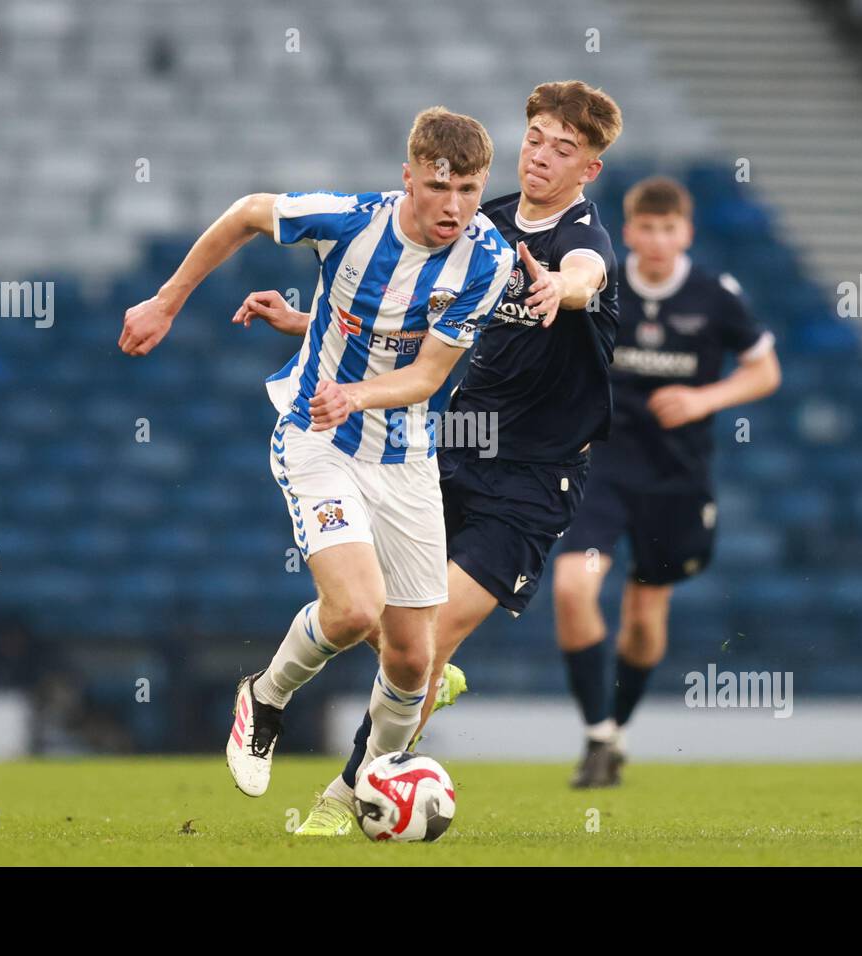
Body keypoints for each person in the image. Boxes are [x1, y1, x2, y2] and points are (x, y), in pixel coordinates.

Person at [236, 80, 624, 832]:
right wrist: (306, 321)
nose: (542, 156)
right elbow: (405, 313)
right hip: (445, 448)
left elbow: (587, 277)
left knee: (431, 637)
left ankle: (348, 799)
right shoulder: (482, 220)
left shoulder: (584, 242)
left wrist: (562, 291)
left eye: (564, 149)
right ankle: (398, 690)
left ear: (590, 170)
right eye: (537, 138)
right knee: (389, 631)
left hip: (535, 478)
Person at [118, 107, 516, 799]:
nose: (453, 207)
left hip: (406, 457)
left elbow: (425, 375)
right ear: (407, 178)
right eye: (437, 187)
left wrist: (350, 384)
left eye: (469, 190)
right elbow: (246, 212)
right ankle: (265, 700)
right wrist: (166, 300)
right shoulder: (352, 219)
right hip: (317, 438)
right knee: (357, 610)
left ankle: (374, 785)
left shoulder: (488, 258)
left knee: (414, 659)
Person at [552, 175, 782, 787]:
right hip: (601, 469)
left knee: (644, 615)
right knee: (574, 587)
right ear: (627, 232)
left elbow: (764, 372)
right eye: (645, 228)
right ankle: (597, 732)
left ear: (686, 232)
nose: (656, 240)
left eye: (668, 228)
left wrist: (704, 398)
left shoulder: (714, 296)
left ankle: (615, 734)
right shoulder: (602, 283)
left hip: (676, 479)